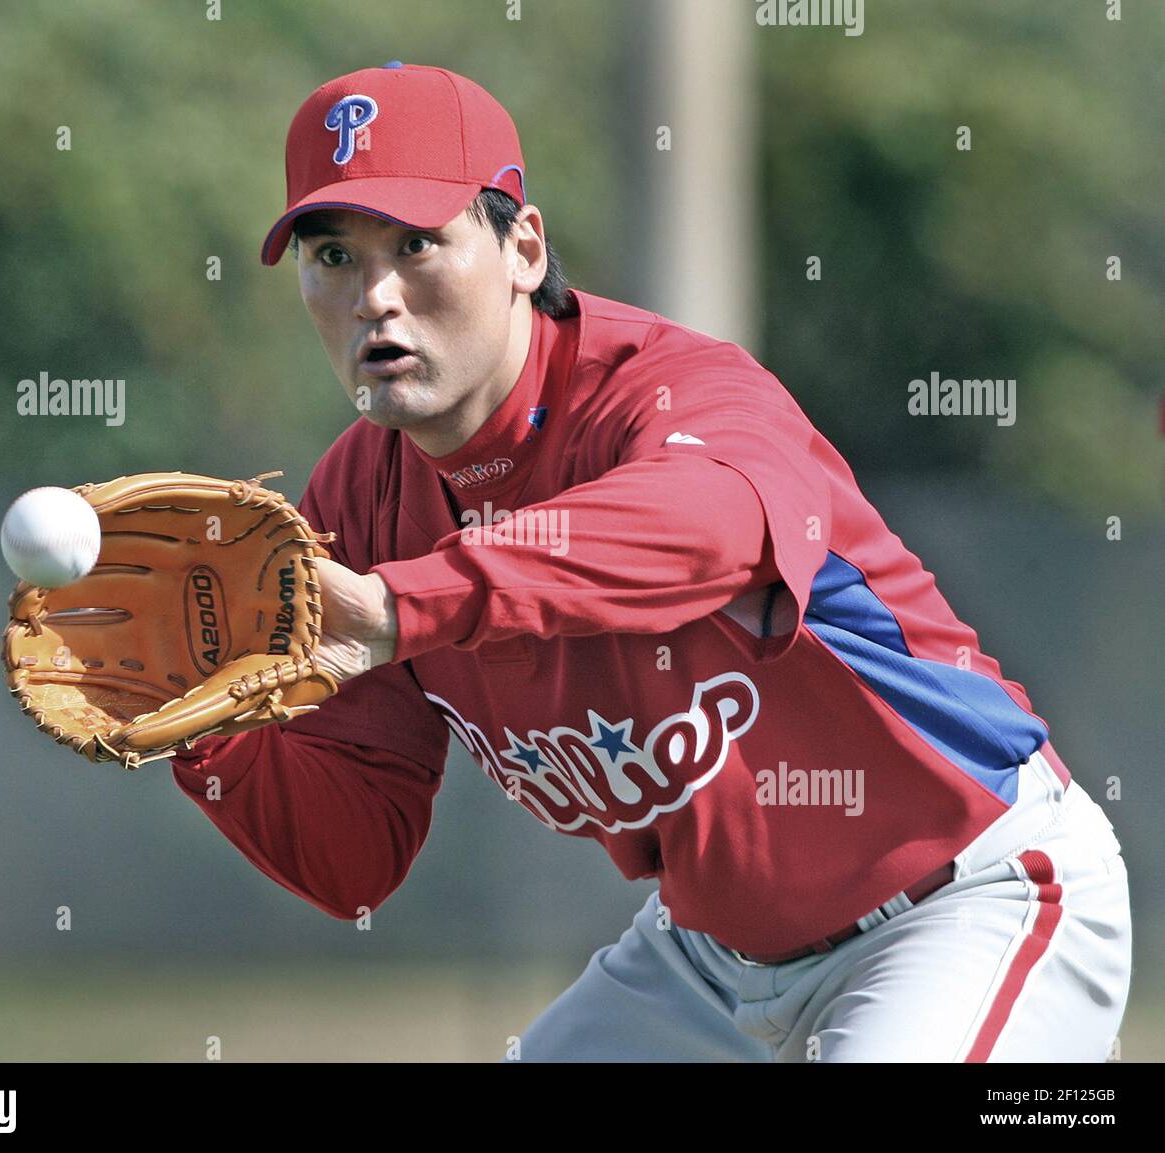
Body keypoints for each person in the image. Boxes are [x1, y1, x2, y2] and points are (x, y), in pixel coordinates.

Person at [170, 62, 1132, 1062]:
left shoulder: (674, 392)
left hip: (969, 897)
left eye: (417, 243)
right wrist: (202, 725)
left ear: (522, 247)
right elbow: (356, 860)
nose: (375, 294)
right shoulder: (358, 508)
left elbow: (709, 524)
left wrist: (408, 605)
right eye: (332, 255)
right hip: (706, 963)